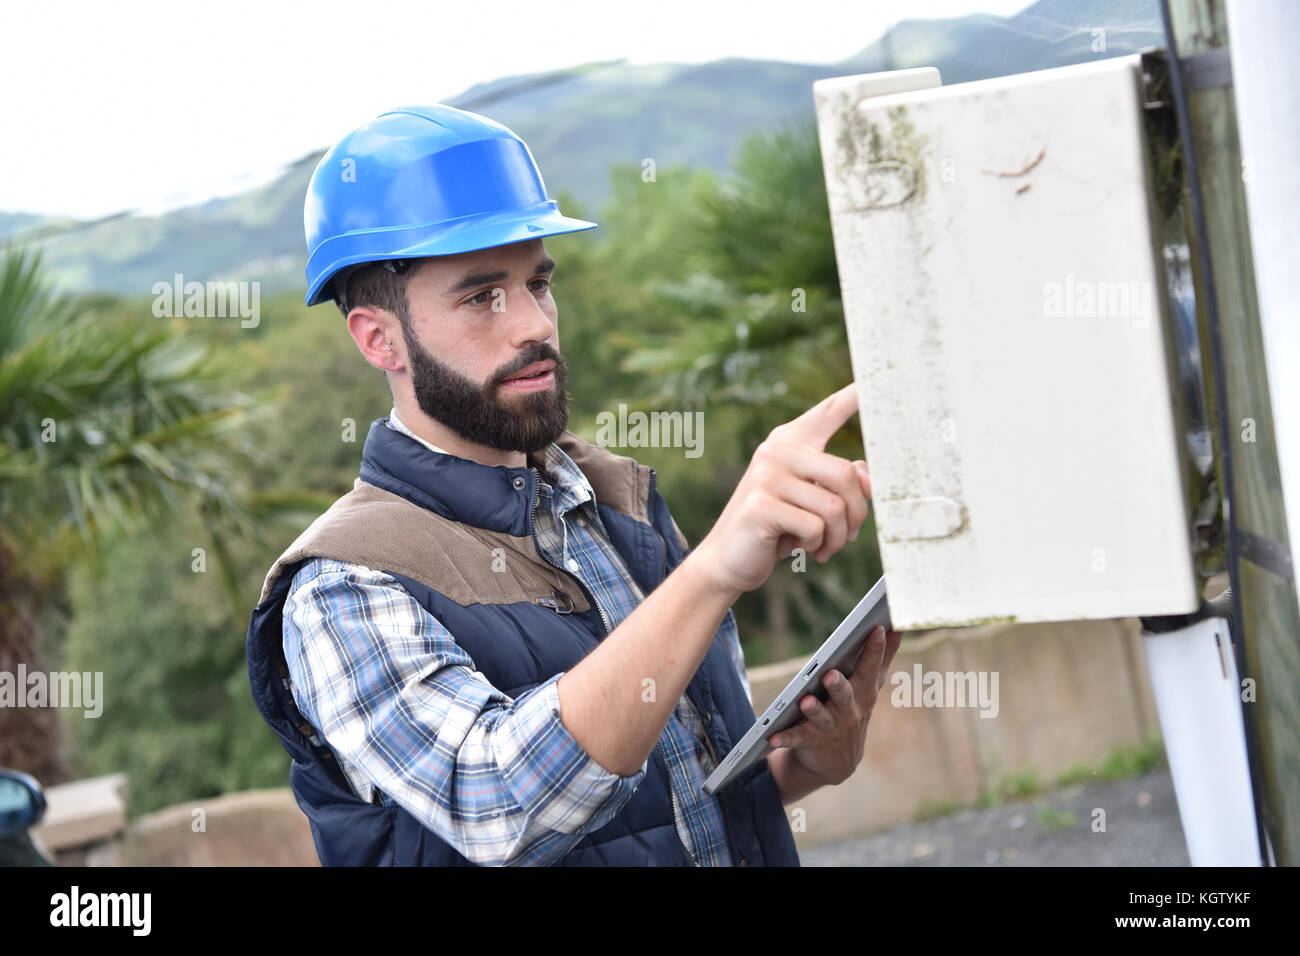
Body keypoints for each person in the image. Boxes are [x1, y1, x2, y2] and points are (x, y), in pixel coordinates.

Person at [245, 104, 902, 866]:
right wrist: (714, 570)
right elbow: (497, 807)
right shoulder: (341, 584)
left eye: (539, 283)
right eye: (482, 296)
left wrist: (812, 762)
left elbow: (683, 795)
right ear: (378, 338)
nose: (533, 324)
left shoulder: (618, 499)